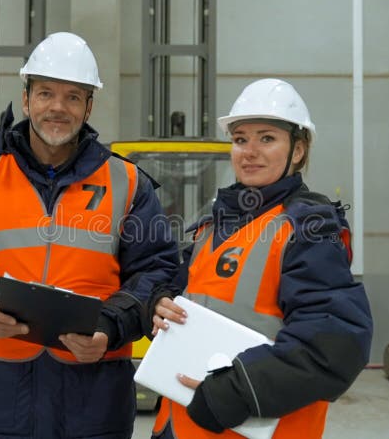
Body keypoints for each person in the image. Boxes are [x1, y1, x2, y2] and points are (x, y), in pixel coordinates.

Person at [0, 31, 179, 439]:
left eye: (73, 96)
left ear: (89, 107)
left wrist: (108, 328)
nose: (58, 107)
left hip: (93, 407)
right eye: (45, 93)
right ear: (26, 99)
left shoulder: (127, 183)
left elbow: (157, 274)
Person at [148, 78, 373, 438]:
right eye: (240, 140)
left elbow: (337, 345)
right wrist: (157, 303)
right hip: (180, 424)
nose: (249, 151)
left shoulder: (308, 228)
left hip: (241, 424)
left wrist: (237, 390)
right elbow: (178, 290)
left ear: (297, 151)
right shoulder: (215, 224)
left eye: (266, 138)